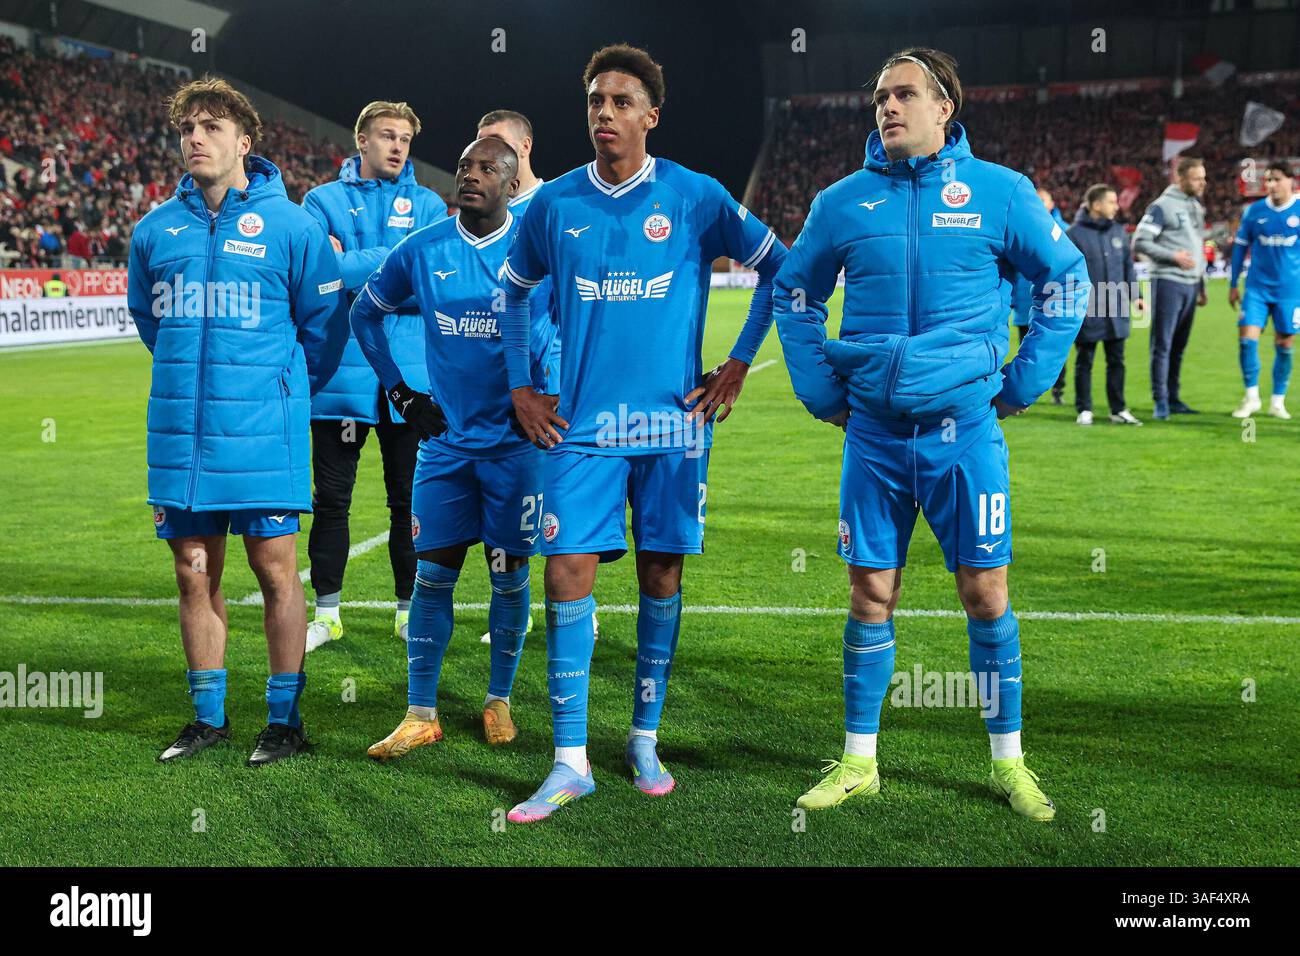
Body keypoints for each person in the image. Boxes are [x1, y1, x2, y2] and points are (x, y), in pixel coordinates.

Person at [774, 47, 1088, 821]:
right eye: (879, 96)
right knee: (870, 591)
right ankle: (858, 760)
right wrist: (820, 391)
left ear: (945, 106)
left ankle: (1008, 763)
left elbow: (1066, 280)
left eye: (904, 94)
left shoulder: (1001, 193)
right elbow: (793, 292)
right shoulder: (841, 202)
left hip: (965, 434)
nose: (887, 107)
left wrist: (1021, 381)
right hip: (874, 437)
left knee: (986, 592)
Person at [500, 43, 786, 823]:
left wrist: (735, 363)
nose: (605, 114)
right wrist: (521, 384)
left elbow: (780, 269)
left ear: (650, 117)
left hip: (673, 427)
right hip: (582, 429)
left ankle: (643, 737)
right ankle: (568, 761)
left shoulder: (695, 196)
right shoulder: (556, 204)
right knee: (565, 573)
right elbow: (514, 292)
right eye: (595, 101)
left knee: (661, 577)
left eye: (622, 102)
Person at [127, 77, 348, 766]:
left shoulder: (293, 226)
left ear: (245, 142)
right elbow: (151, 323)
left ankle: (284, 724)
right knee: (195, 572)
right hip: (183, 438)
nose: (195, 137)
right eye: (187, 126)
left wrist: (273, 386)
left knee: (276, 572)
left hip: (264, 433)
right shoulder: (154, 229)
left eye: (211, 126)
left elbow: (325, 329)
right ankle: (208, 719)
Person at [350, 135, 557, 755]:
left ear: (512, 180)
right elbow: (365, 312)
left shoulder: (536, 251)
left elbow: (580, 318)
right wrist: (402, 394)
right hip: (444, 448)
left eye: (487, 168)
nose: (470, 175)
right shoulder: (422, 249)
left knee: (508, 579)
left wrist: (557, 393)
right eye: (464, 165)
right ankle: (421, 712)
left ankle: (498, 700)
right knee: (431, 580)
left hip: (517, 450)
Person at [300, 101, 448, 652]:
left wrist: (350, 266)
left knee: (408, 502)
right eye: (387, 135)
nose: (397, 146)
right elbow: (315, 276)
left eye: (406, 138)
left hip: (407, 382)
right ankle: (328, 614)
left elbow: (424, 282)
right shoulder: (321, 200)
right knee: (331, 501)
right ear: (360, 139)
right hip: (338, 378)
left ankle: (408, 611)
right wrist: (390, 266)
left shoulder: (431, 203)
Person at [1133, 157, 1208, 420]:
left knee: (1179, 345)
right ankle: (1160, 400)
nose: (1203, 182)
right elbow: (1140, 242)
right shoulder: (1161, 206)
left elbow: (1197, 246)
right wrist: (1173, 256)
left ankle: (1174, 397)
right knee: (1162, 344)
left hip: (1190, 285)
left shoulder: (1195, 207)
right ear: (1180, 178)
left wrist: (1202, 283)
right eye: (1197, 178)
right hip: (1167, 281)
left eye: (1203, 177)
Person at [1066, 183, 1142, 425]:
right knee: (1085, 359)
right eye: (1111, 201)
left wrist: (1136, 296)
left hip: (1117, 306)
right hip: (1088, 307)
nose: (1116, 206)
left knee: (1117, 360)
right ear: (1096, 205)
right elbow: (1068, 273)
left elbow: (1128, 267)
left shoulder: (1119, 231)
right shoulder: (1074, 234)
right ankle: (1084, 408)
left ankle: (1118, 409)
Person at [1229, 161, 1298, 420]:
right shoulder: (1254, 211)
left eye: (1276, 179)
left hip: (1290, 292)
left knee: (1285, 344)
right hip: (1257, 288)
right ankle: (1251, 398)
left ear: (1291, 180)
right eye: (1267, 180)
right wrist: (1234, 283)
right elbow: (1239, 248)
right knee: (1247, 339)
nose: (1270, 185)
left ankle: (1277, 402)